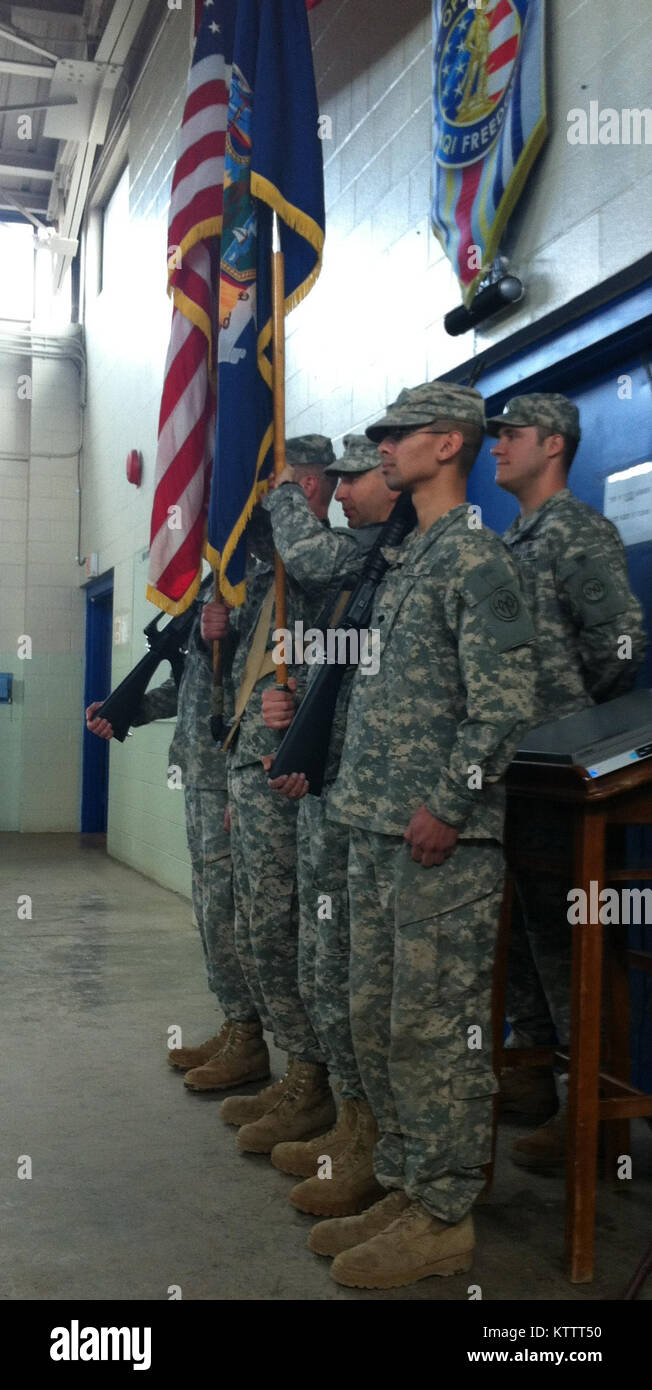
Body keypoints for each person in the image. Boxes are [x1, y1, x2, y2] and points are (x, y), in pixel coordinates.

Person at [307, 380, 538, 1290]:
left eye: (397, 434)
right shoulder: (406, 562)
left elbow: (504, 707)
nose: (383, 447)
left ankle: (444, 1213)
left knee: (434, 1032)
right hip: (372, 830)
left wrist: (451, 803)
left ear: (448, 443)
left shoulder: (478, 562)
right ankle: (404, 1185)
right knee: (377, 1023)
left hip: (440, 840)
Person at [488, 392, 646, 1165]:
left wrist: (573, 726)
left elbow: (619, 642)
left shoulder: (575, 530)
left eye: (510, 435)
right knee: (517, 926)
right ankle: (529, 1079)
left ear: (553, 444)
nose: (496, 447)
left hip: (565, 777)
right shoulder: (514, 537)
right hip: (516, 773)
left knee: (563, 933)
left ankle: (583, 1104)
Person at [206, 434, 375, 1155]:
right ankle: (300, 1068)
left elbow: (337, 661)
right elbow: (252, 672)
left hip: (329, 782)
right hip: (267, 770)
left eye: (342, 483)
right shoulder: (276, 574)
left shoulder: (343, 557)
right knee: (264, 929)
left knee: (300, 936)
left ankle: (332, 1096)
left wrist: (297, 702)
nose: (337, 495)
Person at [260, 435, 402, 1218]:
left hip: (378, 801)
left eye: (355, 480)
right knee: (324, 964)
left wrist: (283, 491)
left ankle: (374, 1140)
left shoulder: (382, 554)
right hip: (332, 790)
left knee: (360, 977)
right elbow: (324, 652)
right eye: (338, 481)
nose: (345, 493)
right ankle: (347, 1120)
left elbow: (314, 562)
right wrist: (287, 703)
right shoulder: (362, 561)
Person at [85, 575, 268, 1093]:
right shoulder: (212, 584)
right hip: (199, 772)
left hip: (231, 775)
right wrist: (126, 711)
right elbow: (189, 688)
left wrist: (227, 636)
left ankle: (251, 1041)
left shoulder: (250, 587)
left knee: (229, 910)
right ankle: (238, 1026)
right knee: (210, 908)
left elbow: (255, 684)